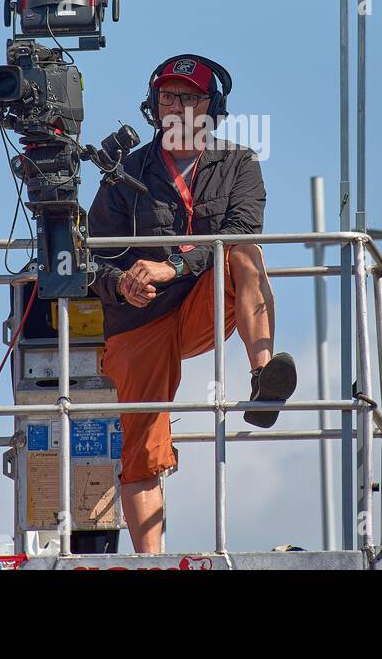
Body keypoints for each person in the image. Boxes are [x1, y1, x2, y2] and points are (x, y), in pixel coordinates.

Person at [86, 54, 297, 554]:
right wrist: (122, 285)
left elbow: (240, 230)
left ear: (212, 106)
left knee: (245, 250)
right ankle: (151, 564)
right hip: (139, 318)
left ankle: (263, 377)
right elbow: (89, 257)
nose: (176, 106)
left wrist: (174, 267)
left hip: (202, 302)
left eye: (188, 97)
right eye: (167, 96)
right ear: (153, 105)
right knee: (142, 444)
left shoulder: (240, 162)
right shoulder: (124, 173)